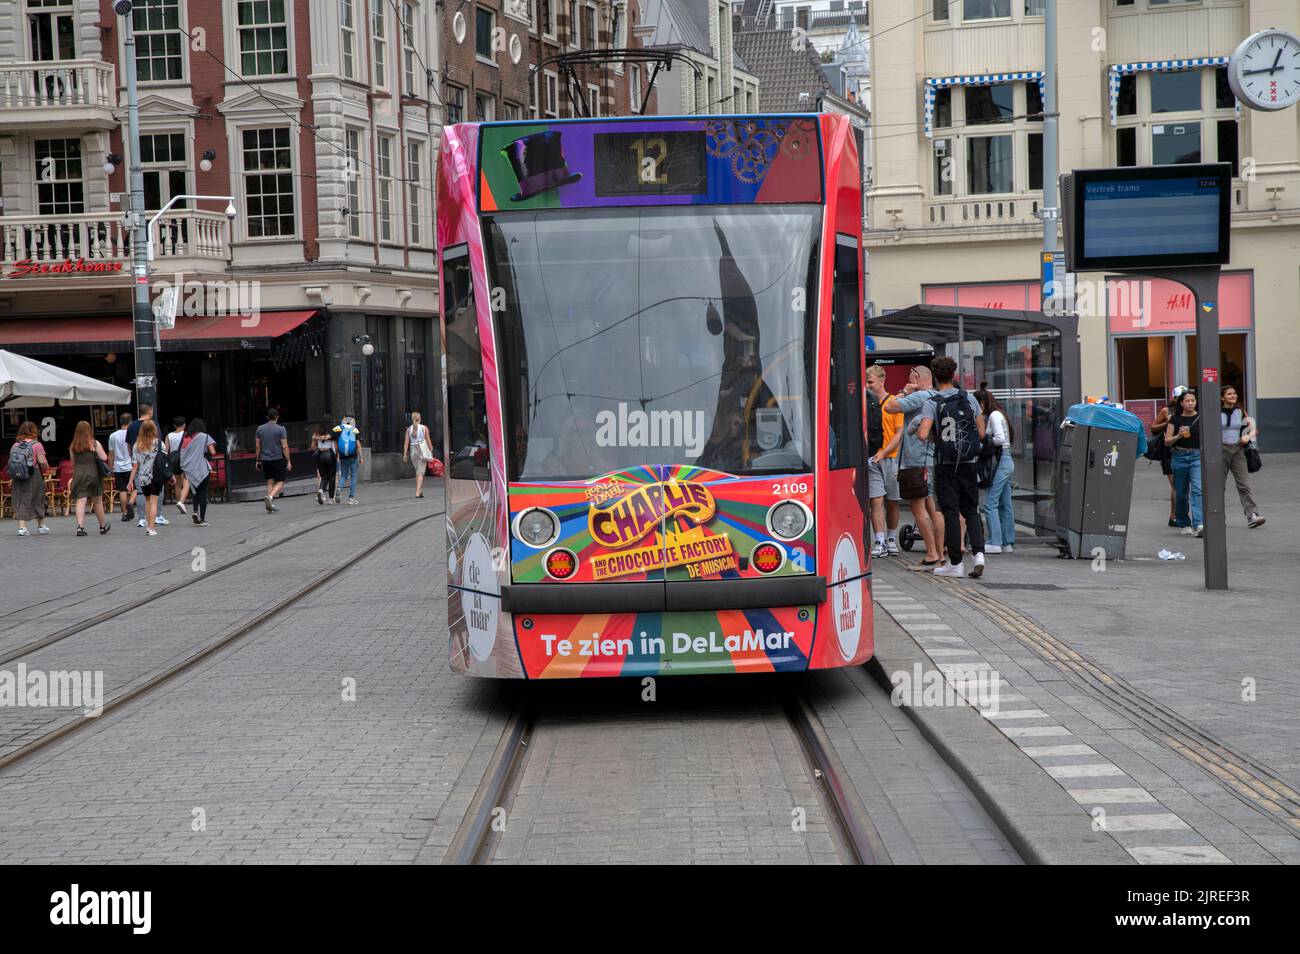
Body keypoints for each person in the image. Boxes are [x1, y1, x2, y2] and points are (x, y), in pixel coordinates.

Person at [917, 356, 986, 578]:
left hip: (946, 465)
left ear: (935, 376)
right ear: (954, 374)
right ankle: (979, 555)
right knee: (971, 510)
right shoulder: (969, 399)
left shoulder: (933, 402)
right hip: (969, 462)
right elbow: (982, 433)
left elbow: (922, 433)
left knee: (950, 512)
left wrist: (935, 437)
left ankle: (955, 564)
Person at [884, 365, 942, 568]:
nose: (907, 376)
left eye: (910, 374)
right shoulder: (935, 395)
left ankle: (932, 553)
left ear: (917, 377)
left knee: (918, 508)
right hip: (930, 459)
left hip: (916, 460)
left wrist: (904, 391)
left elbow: (890, 407)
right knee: (932, 506)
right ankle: (940, 552)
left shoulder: (919, 396)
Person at [866, 366, 903, 557]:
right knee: (876, 500)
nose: (868, 386)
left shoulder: (894, 403)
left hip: (891, 457)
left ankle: (891, 538)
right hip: (872, 457)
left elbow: (899, 433)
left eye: (871, 382)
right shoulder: (865, 403)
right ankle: (879, 540)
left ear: (882, 381)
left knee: (893, 500)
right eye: (867, 382)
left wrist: (885, 452)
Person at [976, 388, 1016, 553]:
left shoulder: (993, 416)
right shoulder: (1000, 414)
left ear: (982, 403)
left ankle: (994, 542)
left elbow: (999, 439)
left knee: (990, 503)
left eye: (977, 404)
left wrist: (985, 441)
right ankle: (1007, 542)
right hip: (1006, 460)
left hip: (1001, 461)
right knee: (1005, 504)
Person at [1220, 385, 1264, 529]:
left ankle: (1252, 515)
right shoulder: (1215, 412)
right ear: (1222, 397)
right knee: (1218, 486)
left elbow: (1254, 430)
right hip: (1220, 449)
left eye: (1234, 393)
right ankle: (1218, 517)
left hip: (1238, 449)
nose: (1233, 396)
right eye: (1229, 394)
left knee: (1244, 484)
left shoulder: (1240, 411)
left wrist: (1246, 437)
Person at [1164, 388, 1203, 537]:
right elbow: (1167, 442)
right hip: (1179, 456)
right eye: (1187, 401)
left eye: (1193, 400)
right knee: (1181, 493)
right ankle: (1184, 522)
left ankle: (1199, 523)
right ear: (1181, 403)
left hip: (1196, 456)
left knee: (1198, 490)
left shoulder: (1201, 418)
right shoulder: (1175, 419)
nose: (1190, 403)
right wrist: (1178, 435)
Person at [125, 403, 168, 526]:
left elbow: (128, 445)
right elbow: (162, 452)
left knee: (140, 493)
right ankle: (157, 516)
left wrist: (134, 459)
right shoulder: (153, 424)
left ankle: (142, 518)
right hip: (155, 468)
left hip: (140, 465)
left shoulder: (132, 426)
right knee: (157, 495)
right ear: (149, 411)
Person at [68, 420, 110, 536]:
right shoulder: (94, 443)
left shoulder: (73, 446)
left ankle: (80, 527)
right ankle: (102, 526)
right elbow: (104, 457)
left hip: (80, 473)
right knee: (97, 501)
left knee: (81, 500)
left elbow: (72, 462)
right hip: (94, 473)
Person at [9, 421, 50, 537]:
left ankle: (22, 527)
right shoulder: (37, 445)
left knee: (22, 499)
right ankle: (41, 526)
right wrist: (46, 466)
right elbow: (42, 462)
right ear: (34, 431)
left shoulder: (15, 445)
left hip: (18, 475)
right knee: (38, 498)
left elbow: (11, 461)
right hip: (34, 474)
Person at [180, 418, 218, 527]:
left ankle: (195, 511)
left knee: (195, 492)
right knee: (203, 493)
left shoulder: (187, 437)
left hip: (190, 470)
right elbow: (213, 452)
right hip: (202, 469)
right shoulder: (205, 437)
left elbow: (183, 453)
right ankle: (202, 519)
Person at [1151, 390, 1181, 526]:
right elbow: (1153, 427)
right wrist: (1167, 422)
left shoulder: (1191, 411)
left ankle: (1181, 515)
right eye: (1177, 397)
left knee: (1185, 485)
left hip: (1185, 450)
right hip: (1167, 451)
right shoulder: (1166, 410)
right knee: (1176, 485)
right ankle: (1174, 516)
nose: (1179, 399)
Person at [254, 407, 291, 512]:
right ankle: (270, 497)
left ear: (267, 417)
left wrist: (257, 460)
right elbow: (284, 446)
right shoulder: (281, 429)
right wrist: (288, 461)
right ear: (277, 417)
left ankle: (270, 506)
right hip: (277, 458)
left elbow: (257, 446)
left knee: (269, 482)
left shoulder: (259, 429)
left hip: (264, 459)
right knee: (280, 482)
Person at [108, 412, 136, 522]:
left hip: (118, 466)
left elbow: (111, 454)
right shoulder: (132, 434)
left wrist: (111, 468)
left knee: (122, 490)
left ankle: (124, 513)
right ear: (131, 422)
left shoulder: (113, 436)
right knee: (137, 487)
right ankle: (131, 502)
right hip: (131, 465)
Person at [333, 416, 363, 504]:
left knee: (343, 476)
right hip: (353, 457)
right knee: (353, 476)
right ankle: (351, 498)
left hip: (343, 457)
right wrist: (361, 457)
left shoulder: (340, 430)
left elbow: (337, 446)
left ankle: (339, 487)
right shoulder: (354, 430)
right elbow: (358, 445)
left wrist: (337, 456)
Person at [402, 411, 432, 499]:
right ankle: (417, 492)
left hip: (412, 451)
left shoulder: (409, 429)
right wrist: (430, 451)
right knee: (420, 473)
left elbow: (406, 442)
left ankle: (420, 490)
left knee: (418, 472)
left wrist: (405, 454)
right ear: (420, 419)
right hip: (422, 450)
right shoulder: (424, 428)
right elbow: (428, 441)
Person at [311, 416, 338, 505]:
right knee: (332, 477)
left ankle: (321, 490)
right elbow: (336, 446)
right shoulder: (332, 432)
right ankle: (331, 499)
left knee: (324, 476)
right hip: (329, 454)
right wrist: (336, 456)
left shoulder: (316, 433)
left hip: (319, 455)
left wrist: (316, 439)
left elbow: (312, 447)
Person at [167, 416, 190, 514]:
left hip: (174, 461)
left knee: (177, 484)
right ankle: (181, 502)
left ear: (174, 425)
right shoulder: (187, 434)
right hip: (184, 460)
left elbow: (166, 450)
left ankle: (179, 502)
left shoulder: (169, 435)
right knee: (186, 482)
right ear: (184, 425)